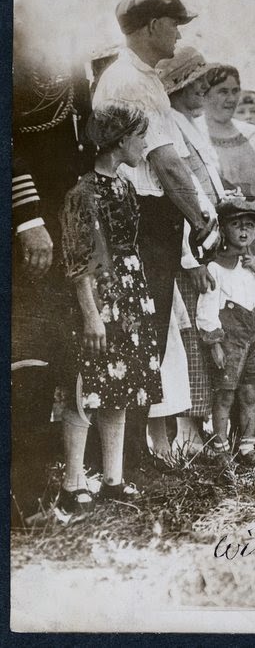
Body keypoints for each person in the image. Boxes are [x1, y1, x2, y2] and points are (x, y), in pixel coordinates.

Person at [91, 0, 216, 466]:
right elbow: (164, 161)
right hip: (139, 215)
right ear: (151, 27)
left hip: (148, 214)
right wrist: (201, 219)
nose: (179, 34)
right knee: (140, 332)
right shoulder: (131, 81)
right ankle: (128, 461)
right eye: (174, 24)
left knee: (150, 331)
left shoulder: (143, 77)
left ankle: (133, 457)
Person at [58, 101, 163, 514]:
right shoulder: (82, 194)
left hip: (129, 295)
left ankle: (113, 479)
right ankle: (72, 483)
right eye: (140, 137)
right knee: (86, 386)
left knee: (118, 387)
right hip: (100, 299)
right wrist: (91, 315)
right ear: (120, 141)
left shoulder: (124, 187)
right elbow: (79, 261)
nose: (144, 145)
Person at [10, 44, 94, 526]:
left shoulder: (67, 48)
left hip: (60, 224)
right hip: (26, 228)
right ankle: (22, 502)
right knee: (26, 359)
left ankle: (33, 497)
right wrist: (28, 218)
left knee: (45, 360)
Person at [156, 46, 224, 455]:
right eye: (197, 82)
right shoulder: (171, 124)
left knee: (204, 335)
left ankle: (200, 428)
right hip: (188, 250)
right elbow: (177, 195)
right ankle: (188, 431)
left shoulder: (193, 125)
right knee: (190, 339)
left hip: (204, 243)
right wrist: (190, 257)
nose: (204, 89)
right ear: (178, 86)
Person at [196, 197, 255, 468]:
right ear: (224, 228)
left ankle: (247, 446)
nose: (244, 231)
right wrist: (215, 344)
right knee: (225, 395)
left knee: (250, 394)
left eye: (250, 226)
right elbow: (207, 309)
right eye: (236, 224)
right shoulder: (215, 268)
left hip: (254, 338)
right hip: (229, 340)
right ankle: (220, 448)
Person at [197, 63, 255, 269]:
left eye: (235, 91)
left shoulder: (254, 136)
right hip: (210, 234)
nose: (231, 98)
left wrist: (250, 210)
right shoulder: (194, 135)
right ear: (205, 94)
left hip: (252, 236)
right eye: (223, 91)